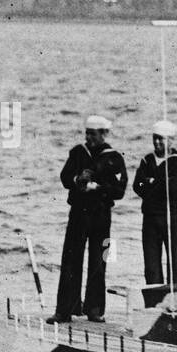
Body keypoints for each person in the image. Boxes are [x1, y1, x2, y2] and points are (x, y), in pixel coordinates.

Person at [47, 114, 128, 324]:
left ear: (103, 134)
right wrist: (77, 180)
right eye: (87, 134)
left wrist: (98, 188)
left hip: (101, 214)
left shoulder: (113, 158)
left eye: (93, 134)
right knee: (71, 259)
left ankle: (95, 309)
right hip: (79, 212)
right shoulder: (77, 153)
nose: (89, 138)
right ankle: (65, 309)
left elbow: (119, 190)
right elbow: (65, 177)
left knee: (99, 260)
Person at [133, 119, 177, 295]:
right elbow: (137, 185)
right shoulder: (147, 160)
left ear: (170, 140)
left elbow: (173, 188)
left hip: (170, 216)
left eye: (161, 139)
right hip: (149, 217)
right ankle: (155, 299)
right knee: (151, 261)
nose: (157, 142)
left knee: (176, 259)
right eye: (155, 138)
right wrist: (157, 184)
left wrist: (151, 183)